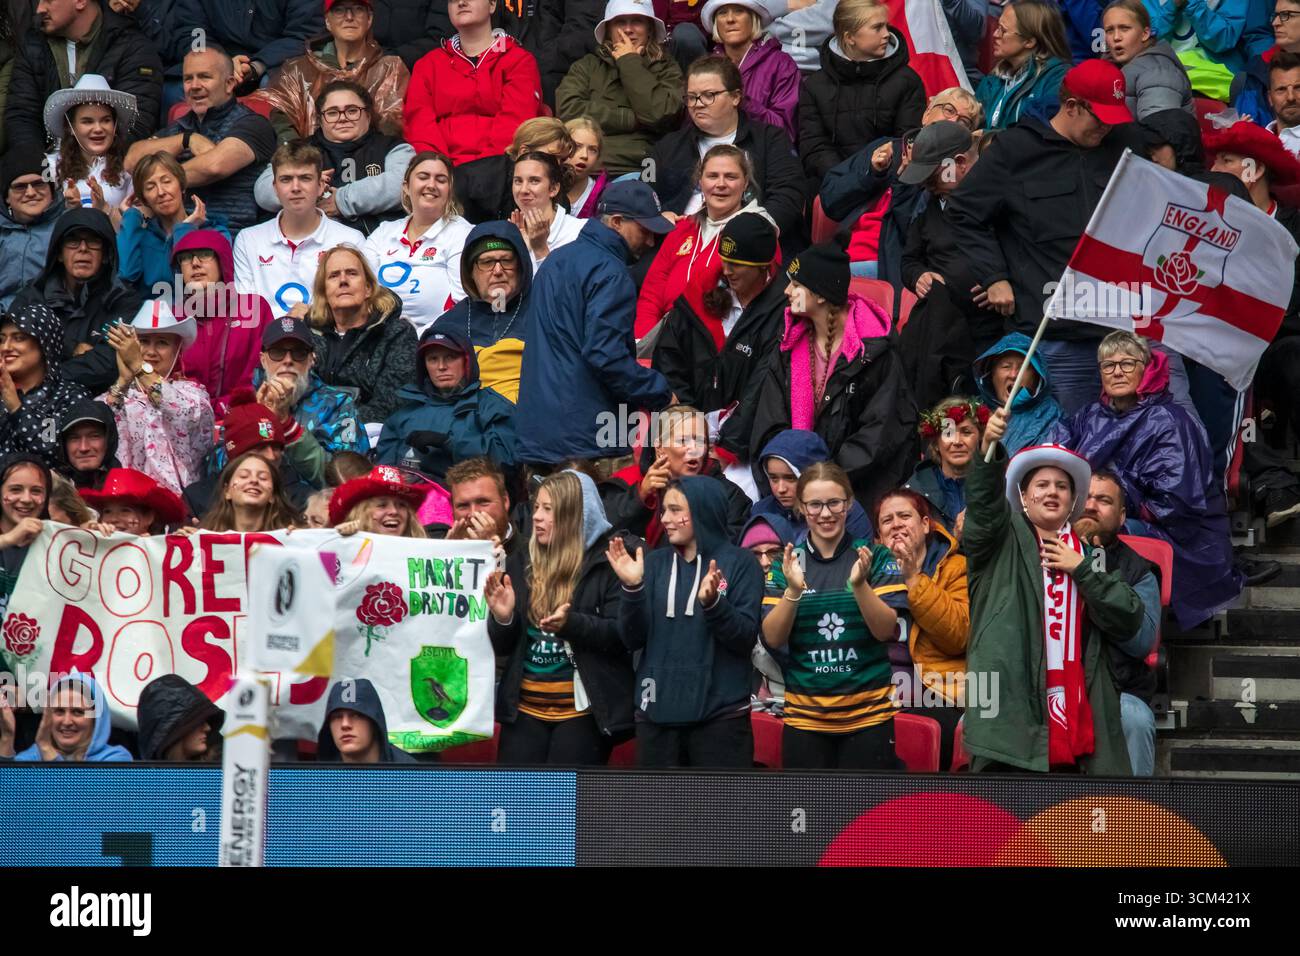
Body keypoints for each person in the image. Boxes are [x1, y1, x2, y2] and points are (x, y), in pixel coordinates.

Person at [948, 60, 1143, 415]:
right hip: (1052, 335)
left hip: (1122, 332)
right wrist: (994, 276)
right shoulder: (1016, 150)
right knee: (1059, 448)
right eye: (1098, 117)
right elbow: (963, 212)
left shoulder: (1123, 145)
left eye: (1114, 118)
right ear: (1071, 106)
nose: (1106, 127)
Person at [963, 418, 1138, 774]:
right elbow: (983, 509)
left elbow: (1129, 617)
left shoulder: (1087, 553)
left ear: (1074, 500)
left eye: (1061, 486)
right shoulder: (999, 538)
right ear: (1023, 497)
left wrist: (1082, 570)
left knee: (1065, 826)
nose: (1052, 492)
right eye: (1041, 484)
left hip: (1077, 718)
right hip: (1009, 716)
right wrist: (988, 454)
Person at [719, 242, 917, 511]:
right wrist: (788, 475)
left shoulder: (873, 352)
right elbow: (770, 419)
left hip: (855, 488)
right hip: (790, 484)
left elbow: (879, 434)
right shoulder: (789, 344)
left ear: (821, 294)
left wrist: (822, 482)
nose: (787, 292)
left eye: (796, 285)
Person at [1066, 331, 1246, 625]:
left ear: (1146, 367)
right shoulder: (1089, 416)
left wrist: (1110, 490)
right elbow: (1057, 455)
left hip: (1173, 533)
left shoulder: (1171, 420)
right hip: (1103, 513)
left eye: (1127, 363)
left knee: (1097, 535)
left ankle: (1120, 623)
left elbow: (1175, 505)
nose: (1117, 372)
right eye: (1108, 365)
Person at [516, 180, 675, 468]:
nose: (651, 242)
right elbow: (605, 355)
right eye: (645, 230)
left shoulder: (556, 260)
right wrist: (661, 393)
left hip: (537, 436)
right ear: (616, 222)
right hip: (589, 443)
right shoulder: (611, 272)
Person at [608, 475, 763, 767]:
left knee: (718, 814)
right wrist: (632, 589)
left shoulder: (741, 564)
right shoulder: (653, 564)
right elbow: (631, 638)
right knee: (658, 813)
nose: (665, 519)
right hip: (656, 718)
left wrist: (715, 604)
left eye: (676, 510)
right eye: (664, 510)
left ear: (703, 510)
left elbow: (744, 638)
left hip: (720, 719)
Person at [485, 470, 635, 764]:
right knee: (516, 804)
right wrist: (503, 618)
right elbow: (502, 646)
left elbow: (623, 635)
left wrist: (572, 625)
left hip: (581, 714)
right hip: (524, 712)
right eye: (537, 507)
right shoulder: (521, 561)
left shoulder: (608, 563)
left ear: (572, 515)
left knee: (565, 807)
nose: (537, 517)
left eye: (548, 510)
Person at [759, 461, 900, 769]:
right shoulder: (788, 564)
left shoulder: (875, 557)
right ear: (801, 507)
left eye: (834, 502)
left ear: (848, 503)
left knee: (865, 816)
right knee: (809, 816)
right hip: (805, 721)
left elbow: (887, 631)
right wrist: (793, 591)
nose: (825, 514)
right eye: (815, 505)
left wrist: (860, 585)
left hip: (869, 719)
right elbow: (772, 637)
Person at [818, 86, 982, 284]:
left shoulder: (952, 174)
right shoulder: (889, 147)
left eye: (964, 122)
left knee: (812, 286)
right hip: (843, 252)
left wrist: (909, 180)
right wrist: (871, 174)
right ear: (927, 113)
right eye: (948, 110)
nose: (953, 121)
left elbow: (921, 239)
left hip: (889, 265)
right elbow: (830, 200)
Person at [649, 55, 805, 256]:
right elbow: (644, 191)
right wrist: (657, 215)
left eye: (708, 95)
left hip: (750, 250)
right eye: (691, 97)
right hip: (679, 247)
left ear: (735, 97)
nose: (697, 104)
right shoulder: (667, 146)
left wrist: (751, 232)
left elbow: (788, 195)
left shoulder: (770, 139)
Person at [897, 120, 1001, 410]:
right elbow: (909, 259)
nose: (925, 183)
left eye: (931, 174)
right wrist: (918, 275)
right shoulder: (929, 207)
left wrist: (1000, 280)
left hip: (994, 333)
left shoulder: (999, 199)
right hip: (943, 333)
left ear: (959, 163)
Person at [651, 211, 785, 432]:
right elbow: (669, 363)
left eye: (736, 264)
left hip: (744, 445)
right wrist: (690, 429)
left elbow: (763, 390)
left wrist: (727, 446)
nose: (726, 270)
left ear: (762, 266)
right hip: (685, 436)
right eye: (724, 260)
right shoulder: (696, 297)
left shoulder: (781, 312)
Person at [123, 46, 278, 233]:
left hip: (233, 239)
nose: (194, 86)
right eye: (188, 79)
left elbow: (214, 167)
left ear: (229, 84)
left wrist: (158, 180)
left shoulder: (253, 124)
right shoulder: (178, 129)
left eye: (204, 77)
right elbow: (132, 161)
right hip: (178, 240)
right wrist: (187, 139)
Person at [636, 145, 775, 342]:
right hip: (663, 339)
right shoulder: (683, 228)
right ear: (700, 182)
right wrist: (643, 341)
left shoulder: (758, 234)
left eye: (731, 176)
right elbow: (652, 293)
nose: (721, 184)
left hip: (713, 347)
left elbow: (753, 307)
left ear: (745, 183)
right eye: (712, 176)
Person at [1073, 470, 1161, 776]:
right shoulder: (1045, 553)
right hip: (1052, 687)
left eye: (1104, 500)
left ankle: (1131, 818)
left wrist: (1091, 579)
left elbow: (1142, 642)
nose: (1092, 505)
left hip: (1118, 690)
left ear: (1122, 516)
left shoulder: (1139, 571)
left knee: (1134, 720)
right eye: (1086, 496)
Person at [874, 487, 969, 770]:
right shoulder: (865, 575)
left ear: (926, 525)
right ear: (878, 537)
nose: (897, 525)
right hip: (877, 696)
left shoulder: (956, 568)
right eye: (887, 520)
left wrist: (914, 578)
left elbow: (958, 636)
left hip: (939, 694)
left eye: (905, 516)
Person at [7, 207, 143, 393]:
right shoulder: (33, 295)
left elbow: (107, 364)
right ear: (60, 254)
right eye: (72, 241)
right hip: (29, 398)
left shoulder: (123, 299)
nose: (83, 248)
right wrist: (70, 347)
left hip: (98, 402)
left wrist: (40, 373)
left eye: (93, 241)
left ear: (106, 255)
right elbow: (12, 347)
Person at [254, 79, 414, 234]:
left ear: (368, 115)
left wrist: (341, 200)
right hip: (314, 245)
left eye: (352, 111)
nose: (342, 118)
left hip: (382, 244)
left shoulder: (393, 147)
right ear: (321, 120)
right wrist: (309, 185)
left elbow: (404, 184)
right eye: (332, 113)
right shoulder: (299, 149)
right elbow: (263, 191)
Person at [3, 0, 162, 154]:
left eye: (48, 0)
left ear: (80, 1)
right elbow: (22, 116)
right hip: (45, 167)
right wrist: (35, 169)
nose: (39, 9)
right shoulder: (33, 44)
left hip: (109, 170)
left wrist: (83, 167)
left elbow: (135, 121)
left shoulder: (131, 46)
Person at [233, 140, 366, 318]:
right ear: (275, 188)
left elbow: (358, 309)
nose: (295, 188)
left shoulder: (351, 240)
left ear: (320, 186)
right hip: (267, 342)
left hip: (327, 340)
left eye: (305, 178)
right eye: (286, 179)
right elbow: (246, 313)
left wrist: (314, 318)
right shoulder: (248, 239)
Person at [797, 0, 925, 183]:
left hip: (888, 186)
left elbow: (906, 141)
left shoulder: (907, 81)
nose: (886, 34)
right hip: (833, 188)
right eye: (877, 28)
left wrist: (872, 173)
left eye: (886, 26)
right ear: (850, 37)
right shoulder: (815, 85)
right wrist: (846, 180)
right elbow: (814, 146)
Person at [402, 0, 543, 165]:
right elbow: (420, 127)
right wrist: (438, 168)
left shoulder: (519, 61)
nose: (461, 2)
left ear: (492, 5)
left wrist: (482, 171)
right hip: (440, 174)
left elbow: (515, 126)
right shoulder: (427, 65)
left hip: (501, 171)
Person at [375, 321, 517, 482]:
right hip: (408, 500)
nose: (441, 366)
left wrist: (451, 443)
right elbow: (383, 476)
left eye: (451, 357)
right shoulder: (402, 415)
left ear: (467, 361)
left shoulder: (493, 407)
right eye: (433, 359)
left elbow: (506, 465)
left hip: (468, 499)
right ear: (424, 366)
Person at [99, 299, 213, 497]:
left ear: (177, 350)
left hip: (181, 509)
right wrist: (123, 381)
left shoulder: (194, 394)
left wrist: (138, 367)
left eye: (162, 342)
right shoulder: (116, 394)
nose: (150, 352)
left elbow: (182, 411)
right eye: (143, 342)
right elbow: (100, 432)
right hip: (125, 509)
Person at [555, 0, 682, 176]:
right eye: (620, 22)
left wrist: (629, 62)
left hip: (638, 167)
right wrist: (629, 119)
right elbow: (568, 109)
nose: (628, 29)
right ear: (608, 29)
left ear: (650, 29)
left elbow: (660, 113)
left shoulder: (666, 67)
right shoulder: (587, 65)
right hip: (585, 166)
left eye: (637, 21)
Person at [259, 0, 410, 142]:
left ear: (369, 19)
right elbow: (281, 119)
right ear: (327, 21)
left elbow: (390, 128)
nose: (349, 17)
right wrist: (301, 158)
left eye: (358, 9)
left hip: (369, 161)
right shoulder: (298, 68)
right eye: (339, 10)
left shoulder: (389, 68)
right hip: (309, 162)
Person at [601, 404, 751, 545]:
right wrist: (640, 497)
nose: (694, 449)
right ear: (659, 448)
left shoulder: (729, 496)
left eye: (700, 441)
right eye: (683, 441)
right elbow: (602, 534)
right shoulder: (629, 484)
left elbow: (729, 551)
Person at [362, 151, 473, 336]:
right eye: (423, 177)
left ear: (450, 190)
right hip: (378, 336)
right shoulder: (383, 232)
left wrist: (419, 337)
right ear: (406, 186)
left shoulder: (462, 234)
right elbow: (361, 288)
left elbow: (463, 304)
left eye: (441, 180)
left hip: (437, 340)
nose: (431, 185)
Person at [167, 228, 274, 417]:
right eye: (185, 258)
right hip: (185, 422)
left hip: (245, 418)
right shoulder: (171, 318)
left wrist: (225, 407)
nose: (195, 263)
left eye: (205, 255)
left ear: (222, 261)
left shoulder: (254, 308)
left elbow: (263, 373)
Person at [308, 243, 416, 424]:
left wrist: (331, 425)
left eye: (352, 273)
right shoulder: (308, 337)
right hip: (313, 436)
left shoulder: (397, 334)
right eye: (334, 276)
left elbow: (390, 405)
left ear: (368, 288)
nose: (343, 281)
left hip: (374, 439)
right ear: (324, 293)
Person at [432, 221, 533, 404]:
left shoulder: (544, 311)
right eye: (486, 262)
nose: (498, 271)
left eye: (506, 260)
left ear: (521, 265)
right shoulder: (448, 324)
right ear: (470, 272)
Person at [251, 315, 370, 466]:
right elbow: (221, 469)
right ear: (263, 359)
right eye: (277, 352)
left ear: (311, 359)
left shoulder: (338, 405)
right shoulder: (245, 401)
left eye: (299, 352)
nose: (288, 360)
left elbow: (349, 476)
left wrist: (287, 425)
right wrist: (259, 419)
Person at [184, 389, 320, 515]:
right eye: (260, 448)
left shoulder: (304, 500)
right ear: (235, 454)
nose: (271, 456)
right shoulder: (197, 498)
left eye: (276, 447)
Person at [116, 153, 231, 294]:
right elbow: (127, 275)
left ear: (182, 186)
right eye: (150, 187)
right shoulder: (141, 237)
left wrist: (185, 229)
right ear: (144, 199)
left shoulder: (214, 232)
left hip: (199, 312)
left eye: (166, 181)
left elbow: (185, 285)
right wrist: (131, 217)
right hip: (152, 314)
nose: (161, 192)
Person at [164, 0, 324, 94]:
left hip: (272, 64)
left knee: (275, 84)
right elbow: (191, 29)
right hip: (218, 61)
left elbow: (304, 34)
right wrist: (220, 63)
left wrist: (256, 65)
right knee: (174, 89)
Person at [0, 300, 90, 465]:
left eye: (19, 338)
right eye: (1, 339)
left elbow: (56, 451)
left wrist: (15, 408)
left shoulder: (70, 396)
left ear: (45, 343)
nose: (6, 347)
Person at [747, 428, 874, 540]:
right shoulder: (761, 513)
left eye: (791, 478)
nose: (781, 489)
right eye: (773, 478)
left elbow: (863, 561)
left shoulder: (846, 511)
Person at [701, 0, 799, 142]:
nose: (730, 19)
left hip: (765, 152)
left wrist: (742, 100)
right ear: (716, 24)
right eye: (722, 13)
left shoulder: (781, 64)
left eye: (739, 11)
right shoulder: (706, 67)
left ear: (753, 19)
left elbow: (785, 131)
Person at [44, 74, 135, 218]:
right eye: (87, 122)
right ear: (70, 127)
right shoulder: (50, 167)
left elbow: (136, 228)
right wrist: (66, 208)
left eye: (105, 120)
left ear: (115, 125)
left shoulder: (129, 168)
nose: (98, 129)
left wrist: (105, 208)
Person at [975, 0, 1071, 131]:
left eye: (1003, 30)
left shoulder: (1057, 79)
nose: (995, 34)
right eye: (998, 27)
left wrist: (987, 139)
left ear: (1029, 41)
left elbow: (1039, 134)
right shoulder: (992, 80)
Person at [972, 332, 1068, 456]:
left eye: (1023, 367)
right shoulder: (971, 410)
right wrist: (985, 444)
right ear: (991, 375)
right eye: (1006, 366)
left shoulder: (1054, 417)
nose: (1014, 375)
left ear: (1037, 376)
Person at [905, 396, 988, 537]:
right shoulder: (913, 493)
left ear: (980, 438)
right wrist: (954, 538)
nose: (957, 441)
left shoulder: (994, 485)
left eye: (966, 432)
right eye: (948, 433)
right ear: (936, 444)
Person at [1146, 0, 1255, 102]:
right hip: (1160, 76)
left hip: (1215, 80)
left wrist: (1194, 4)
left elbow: (1225, 40)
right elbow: (1144, 39)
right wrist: (1171, 6)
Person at [8, 673, 132, 761]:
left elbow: (76, 798)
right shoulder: (32, 756)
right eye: (59, 711)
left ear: (96, 719)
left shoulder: (116, 759)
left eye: (78, 712)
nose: (67, 721)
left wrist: (48, 751)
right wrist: (6, 740)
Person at [1103, 0, 1193, 121]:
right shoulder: (1109, 69)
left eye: (1125, 28)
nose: (1116, 37)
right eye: (1110, 30)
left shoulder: (1157, 72)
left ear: (1145, 34)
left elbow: (1160, 132)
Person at [0, 148, 64, 311]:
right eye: (20, 187)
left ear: (51, 188)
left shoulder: (67, 226)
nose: (30, 193)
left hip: (54, 319)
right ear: (6, 196)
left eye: (38, 184)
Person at [509, 150, 584, 268]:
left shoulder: (579, 232)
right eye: (518, 181)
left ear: (553, 189)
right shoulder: (508, 232)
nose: (523, 190)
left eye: (534, 181)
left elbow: (568, 285)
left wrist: (540, 250)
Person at [1232, 0, 1300, 128]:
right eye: (1275, 16)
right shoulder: (1258, 71)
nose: (1275, 23)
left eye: (1286, 15)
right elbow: (1253, 132)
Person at [197, 450, 304, 531]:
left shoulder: (290, 539)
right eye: (244, 476)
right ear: (226, 491)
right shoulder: (202, 539)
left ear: (272, 495)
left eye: (263, 477)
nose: (254, 480)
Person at [317, 677, 416, 761]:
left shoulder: (412, 777)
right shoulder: (318, 780)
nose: (345, 724)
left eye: (356, 715)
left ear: (374, 721)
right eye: (337, 717)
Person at [0, 452, 51, 616]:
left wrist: (94, 537)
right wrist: (9, 538)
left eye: (36, 491)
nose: (26, 499)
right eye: (15, 489)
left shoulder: (55, 542)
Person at [136, 674, 225, 761]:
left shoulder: (224, 771)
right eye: (199, 721)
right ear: (175, 731)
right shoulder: (138, 774)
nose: (207, 728)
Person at [445, 455, 520, 552]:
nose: (473, 514)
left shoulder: (531, 553)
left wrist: (487, 550)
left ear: (505, 501)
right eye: (463, 506)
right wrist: (448, 555)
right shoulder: (439, 553)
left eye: (483, 502)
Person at [81, 466, 188, 533]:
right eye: (107, 511)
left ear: (148, 518)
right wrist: (84, 537)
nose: (113, 519)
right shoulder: (93, 546)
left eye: (125, 510)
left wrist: (190, 542)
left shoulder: (164, 552)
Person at [328, 462, 427, 535]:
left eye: (401, 505)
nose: (394, 511)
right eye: (382, 505)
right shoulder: (344, 547)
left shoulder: (423, 553)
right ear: (360, 513)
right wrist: (339, 540)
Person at [54, 398, 119, 489]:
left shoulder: (127, 488)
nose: (83, 448)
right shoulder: (51, 490)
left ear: (110, 439)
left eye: (94, 436)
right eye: (74, 438)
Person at [563, 116, 610, 218]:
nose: (584, 155)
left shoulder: (604, 196)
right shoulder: (542, 187)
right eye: (577, 146)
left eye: (592, 150)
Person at [1265, 50, 1300, 157]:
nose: (1290, 97)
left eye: (1298, 88)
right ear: (1270, 98)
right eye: (1281, 89)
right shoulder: (1257, 140)